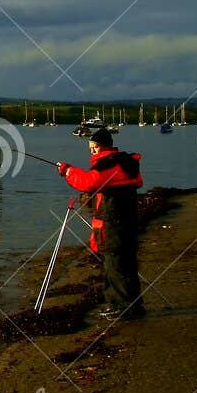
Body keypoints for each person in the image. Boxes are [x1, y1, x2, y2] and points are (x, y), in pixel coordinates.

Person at [58, 127, 145, 320]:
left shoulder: (110, 164)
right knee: (125, 261)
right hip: (126, 218)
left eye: (94, 147)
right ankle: (130, 304)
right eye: (90, 148)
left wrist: (68, 171)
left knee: (115, 262)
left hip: (113, 220)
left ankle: (123, 306)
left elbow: (88, 182)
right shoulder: (126, 163)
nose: (92, 151)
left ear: (103, 146)